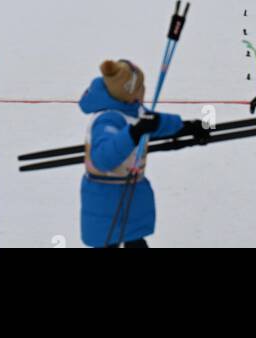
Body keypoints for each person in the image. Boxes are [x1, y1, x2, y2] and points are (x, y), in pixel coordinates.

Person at [77, 59, 206, 248]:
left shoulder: (132, 109)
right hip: (105, 201)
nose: (143, 89)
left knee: (135, 241)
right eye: (140, 87)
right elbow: (103, 158)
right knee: (109, 243)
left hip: (130, 195)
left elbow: (154, 123)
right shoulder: (107, 119)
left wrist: (186, 127)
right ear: (129, 92)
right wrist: (134, 133)